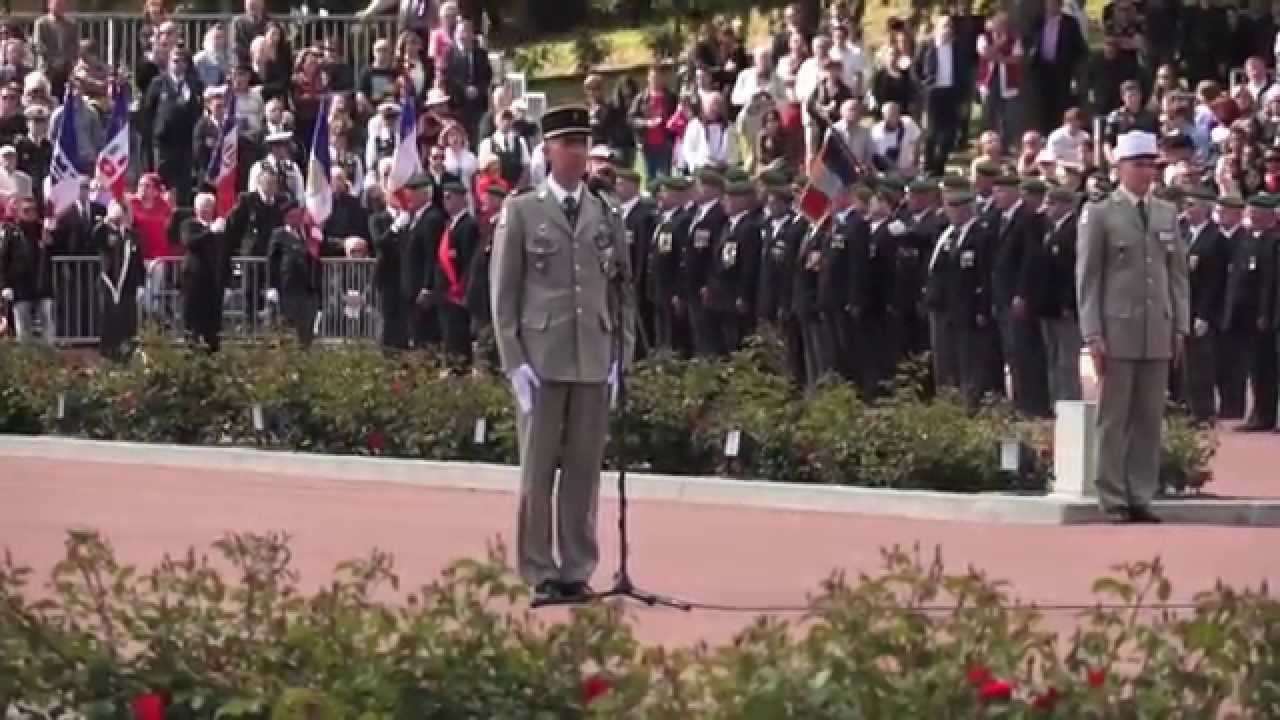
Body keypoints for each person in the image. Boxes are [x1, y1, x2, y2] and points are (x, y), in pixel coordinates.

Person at [490, 104, 635, 603]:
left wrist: (620, 357)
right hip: (541, 357)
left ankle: (577, 566)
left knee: (583, 470)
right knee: (538, 472)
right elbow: (504, 294)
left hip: (593, 352)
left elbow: (623, 290)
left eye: (582, 144)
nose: (577, 153)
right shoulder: (522, 211)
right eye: (568, 144)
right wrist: (514, 362)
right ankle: (539, 569)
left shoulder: (605, 211)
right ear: (547, 150)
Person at [1077, 130, 1190, 523]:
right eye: (1139, 165)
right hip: (1117, 329)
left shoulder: (1166, 212)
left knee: (1148, 418)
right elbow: (1088, 278)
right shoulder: (1101, 213)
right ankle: (1113, 497)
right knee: (1114, 418)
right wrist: (1093, 332)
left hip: (1157, 328)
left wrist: (1180, 325)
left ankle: (1141, 494)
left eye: (1151, 165)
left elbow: (1176, 275)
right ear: (1120, 168)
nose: (1146, 172)